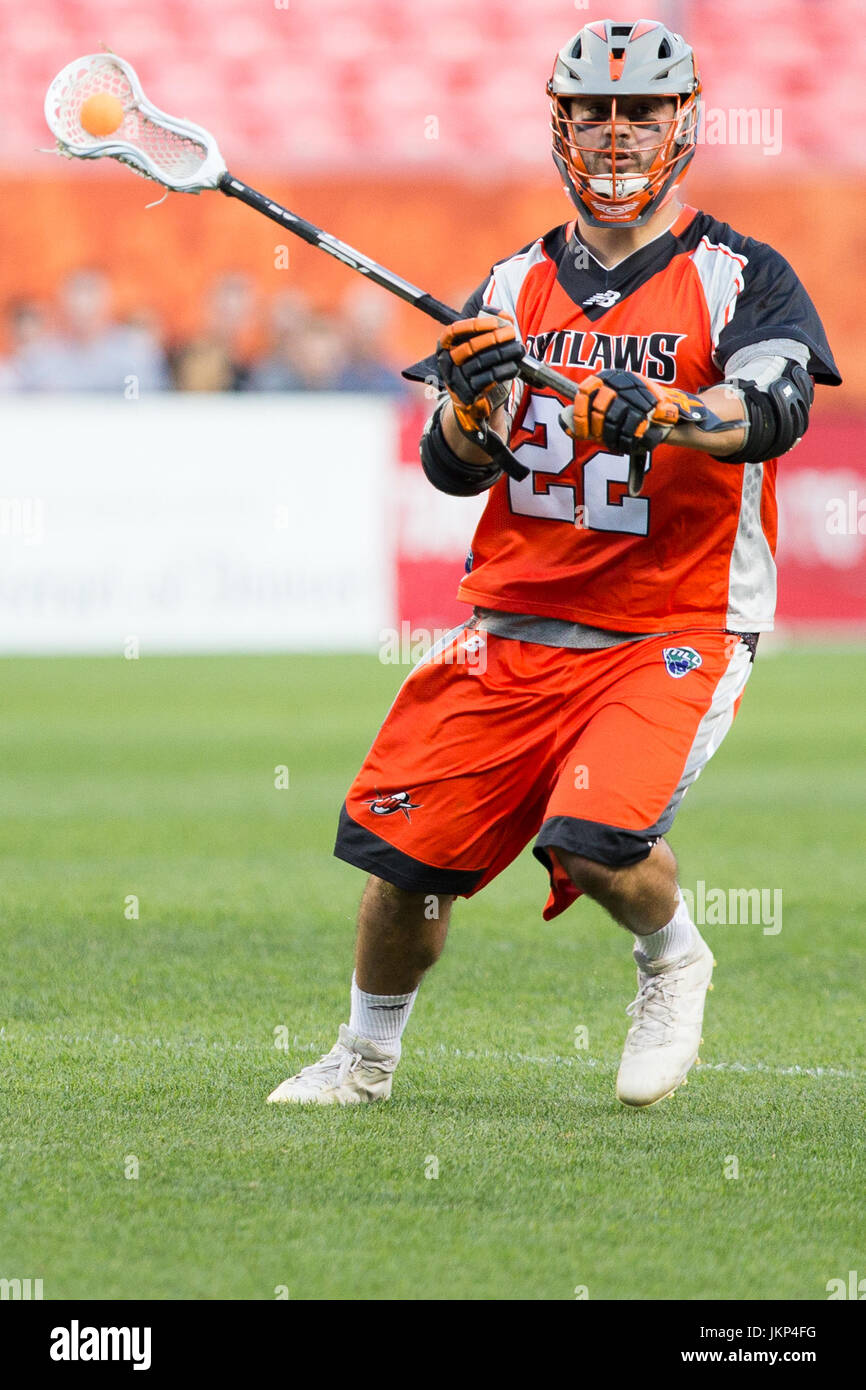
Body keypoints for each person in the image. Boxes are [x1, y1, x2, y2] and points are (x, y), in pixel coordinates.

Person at [268, 18, 840, 1109]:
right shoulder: (510, 281)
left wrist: (668, 413)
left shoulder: (738, 276)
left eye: (640, 112)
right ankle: (364, 1057)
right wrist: (475, 409)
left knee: (595, 842)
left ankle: (671, 961)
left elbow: (770, 406)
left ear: (683, 122)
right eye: (595, 111)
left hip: (671, 625)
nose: (616, 134)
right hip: (513, 628)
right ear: (561, 122)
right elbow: (451, 466)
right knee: (402, 871)